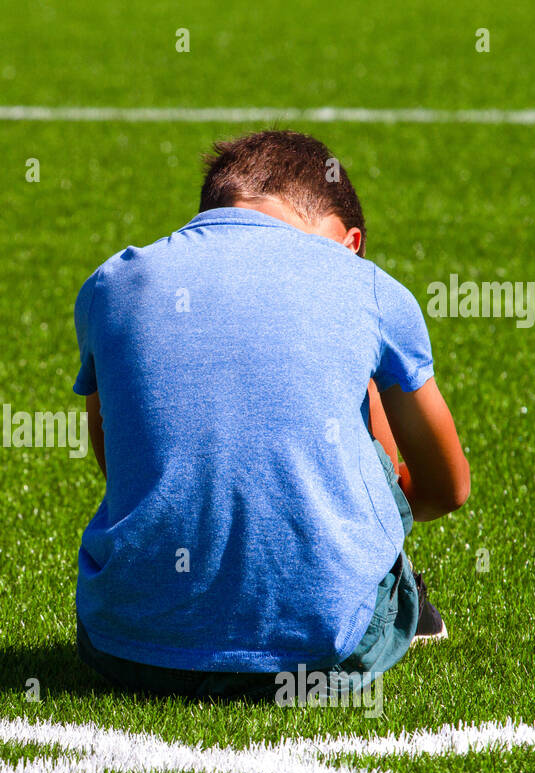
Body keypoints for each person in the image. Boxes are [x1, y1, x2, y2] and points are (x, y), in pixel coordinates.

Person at [72, 130, 470, 700]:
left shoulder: (112, 282)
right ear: (349, 238)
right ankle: (387, 592)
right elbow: (449, 487)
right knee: (358, 381)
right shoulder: (366, 285)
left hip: (123, 647)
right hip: (324, 656)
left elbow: (118, 459)